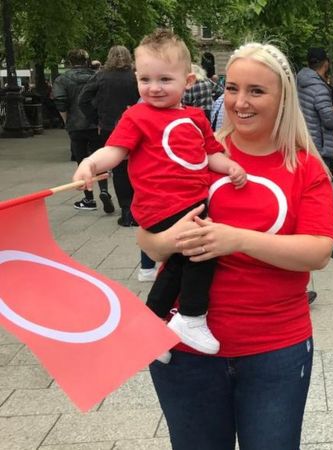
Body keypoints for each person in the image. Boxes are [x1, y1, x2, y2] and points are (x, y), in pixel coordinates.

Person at [136, 41, 333, 449]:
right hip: (184, 350)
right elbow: (149, 242)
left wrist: (234, 239)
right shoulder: (193, 153)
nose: (239, 102)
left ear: (283, 98)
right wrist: (174, 238)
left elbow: (318, 251)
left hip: (275, 349)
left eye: (256, 91)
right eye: (231, 88)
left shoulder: (304, 165)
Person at [72, 30, 247, 359]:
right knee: (203, 252)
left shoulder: (195, 118)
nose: (154, 87)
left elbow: (209, 155)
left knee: (179, 266)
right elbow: (115, 150)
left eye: (165, 79)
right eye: (145, 79)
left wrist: (230, 167)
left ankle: (149, 326)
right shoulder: (137, 116)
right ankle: (192, 318)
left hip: (192, 202)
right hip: (162, 206)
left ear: (188, 81)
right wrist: (90, 163)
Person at [78, 45, 141, 227]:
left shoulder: (101, 76)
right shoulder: (134, 76)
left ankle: (126, 209)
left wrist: (96, 117)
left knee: (119, 168)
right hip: (136, 125)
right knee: (137, 164)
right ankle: (139, 207)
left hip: (109, 126)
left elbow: (83, 99)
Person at [53, 48, 114, 213]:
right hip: (96, 124)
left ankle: (89, 198)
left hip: (76, 125)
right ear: (87, 60)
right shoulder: (96, 76)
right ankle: (104, 190)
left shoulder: (62, 79)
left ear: (70, 61)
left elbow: (60, 102)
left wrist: (66, 121)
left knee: (82, 161)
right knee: (99, 159)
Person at [297, 47, 333, 182]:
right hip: (319, 145)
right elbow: (328, 120)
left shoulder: (299, 82)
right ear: (326, 64)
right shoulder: (319, 88)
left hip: (303, 139)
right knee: (320, 184)